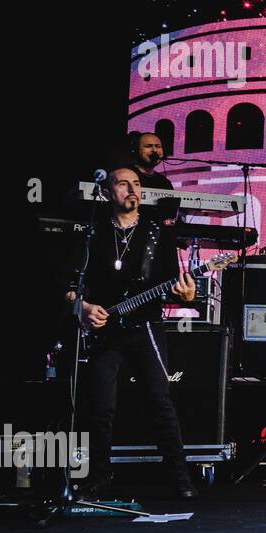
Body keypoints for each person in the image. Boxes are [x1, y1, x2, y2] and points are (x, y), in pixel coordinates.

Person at [67, 166, 198, 500]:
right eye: (123, 183)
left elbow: (173, 284)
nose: (132, 189)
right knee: (100, 406)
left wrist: (185, 295)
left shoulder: (158, 234)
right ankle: (98, 475)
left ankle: (180, 478)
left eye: (136, 184)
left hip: (145, 327)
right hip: (104, 329)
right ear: (109, 192)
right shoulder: (92, 234)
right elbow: (70, 286)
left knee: (160, 400)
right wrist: (82, 307)